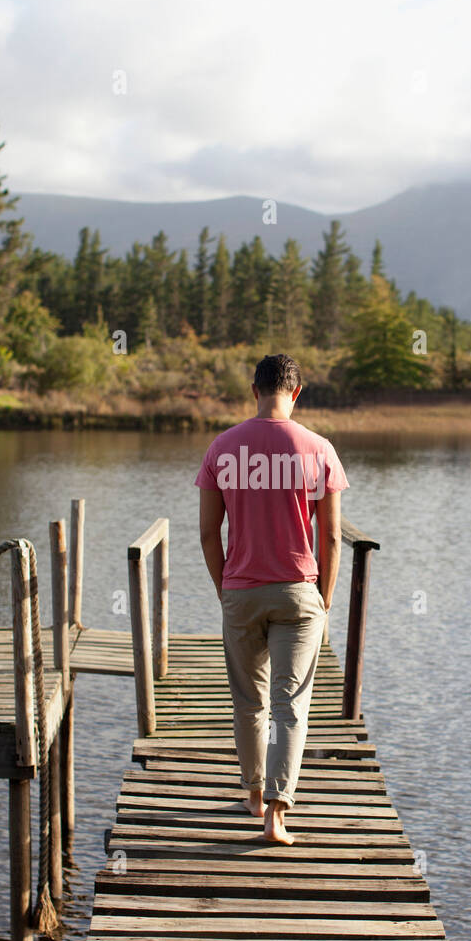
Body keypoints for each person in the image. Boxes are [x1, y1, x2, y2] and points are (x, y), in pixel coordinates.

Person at [195, 353, 349, 845]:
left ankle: (254, 793)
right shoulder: (318, 448)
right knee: (291, 705)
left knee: (249, 703)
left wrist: (227, 591)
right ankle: (277, 815)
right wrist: (324, 600)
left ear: (253, 389)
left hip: (241, 591)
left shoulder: (222, 447)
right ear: (296, 393)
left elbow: (206, 533)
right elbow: (329, 538)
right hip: (299, 591)